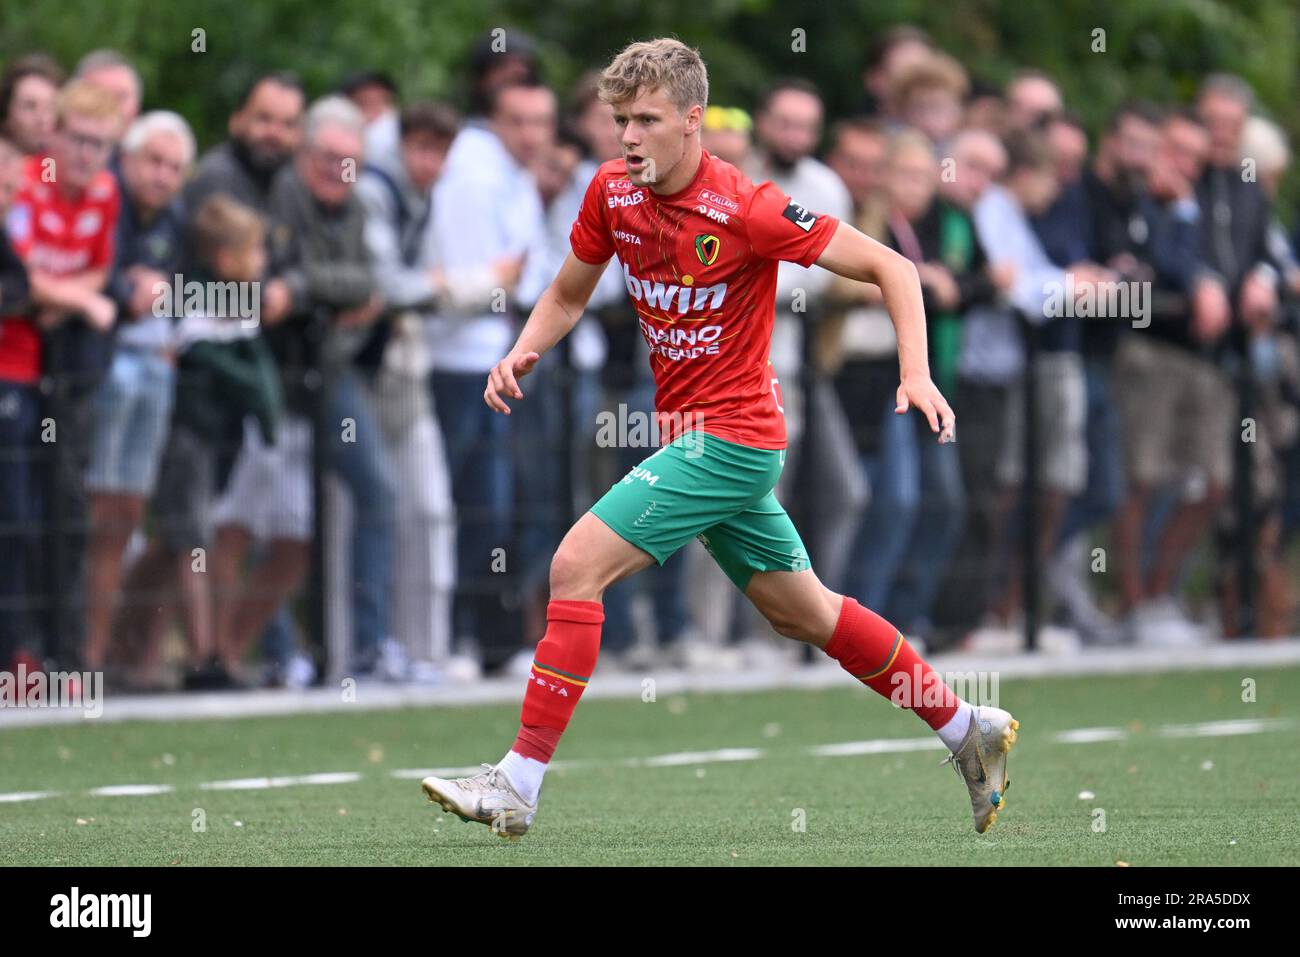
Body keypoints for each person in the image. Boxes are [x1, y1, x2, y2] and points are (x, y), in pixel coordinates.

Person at [420, 38, 1019, 840]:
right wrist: (526, 345)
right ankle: (964, 726)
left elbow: (893, 268)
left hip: (732, 440)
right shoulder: (610, 192)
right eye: (619, 120)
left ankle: (517, 781)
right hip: (691, 438)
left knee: (574, 565)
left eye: (646, 120)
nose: (628, 137)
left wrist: (916, 371)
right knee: (805, 613)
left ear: (693, 120)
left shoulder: (748, 207)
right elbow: (567, 293)